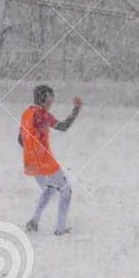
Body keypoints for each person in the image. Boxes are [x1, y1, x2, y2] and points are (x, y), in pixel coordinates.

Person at [18, 85, 82, 235]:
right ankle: (60, 229)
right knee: (66, 190)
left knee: (51, 188)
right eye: (50, 97)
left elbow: (20, 139)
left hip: (30, 162)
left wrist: (31, 150)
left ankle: (34, 221)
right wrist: (76, 109)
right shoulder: (42, 114)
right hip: (44, 160)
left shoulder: (26, 113)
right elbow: (63, 126)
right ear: (43, 98)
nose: (52, 101)